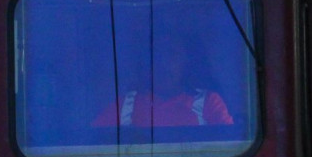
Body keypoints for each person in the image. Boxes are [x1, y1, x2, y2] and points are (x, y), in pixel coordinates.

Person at [93, 38, 235, 133]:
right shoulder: (124, 105)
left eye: (172, 54)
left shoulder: (209, 102)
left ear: (186, 62)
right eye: (156, 55)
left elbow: (229, 147)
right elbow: (96, 147)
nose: (163, 63)